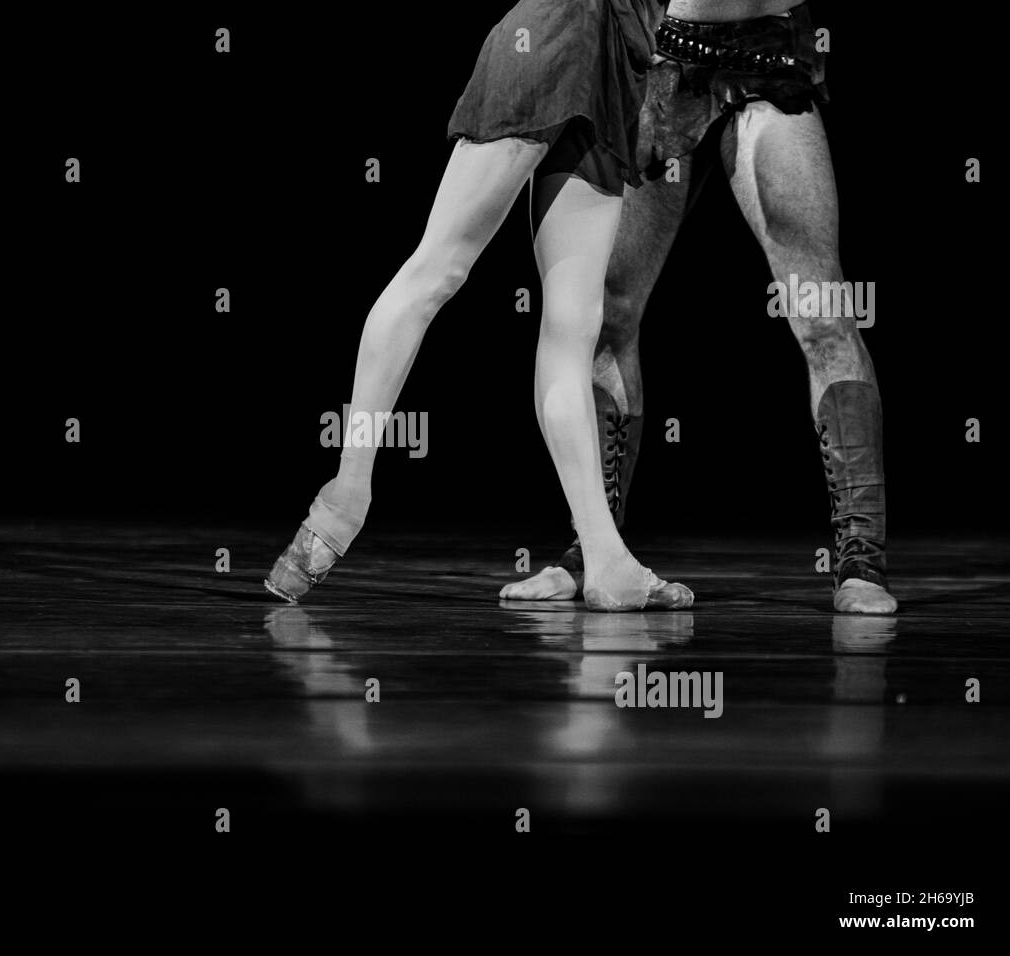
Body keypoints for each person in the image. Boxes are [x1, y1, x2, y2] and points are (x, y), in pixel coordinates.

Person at [265, 0, 692, 611]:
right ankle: (347, 491)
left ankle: (604, 556)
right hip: (556, 31)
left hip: (618, 67)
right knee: (438, 268)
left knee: (576, 324)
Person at [501, 0, 897, 614]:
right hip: (664, 51)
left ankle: (862, 559)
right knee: (610, 315)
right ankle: (591, 551)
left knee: (820, 309)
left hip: (768, 53)